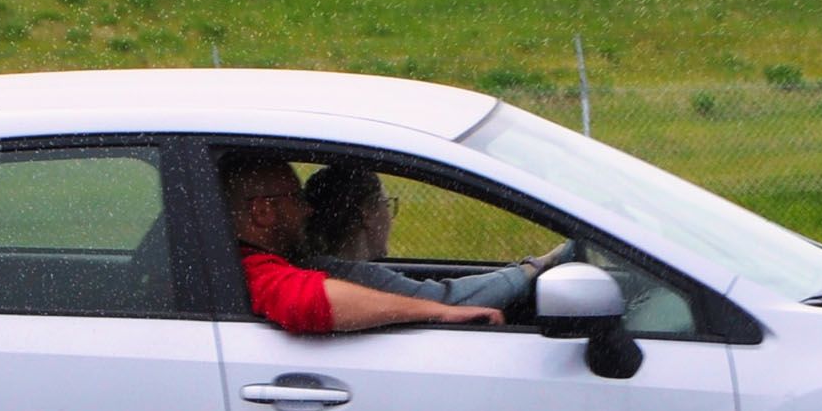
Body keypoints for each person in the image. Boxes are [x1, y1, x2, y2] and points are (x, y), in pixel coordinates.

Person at [223, 153, 503, 335]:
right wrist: (439, 312)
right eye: (296, 198)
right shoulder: (249, 269)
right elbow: (311, 301)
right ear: (262, 211)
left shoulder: (232, 261)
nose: (308, 210)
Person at [300, 163, 572, 312]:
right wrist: (536, 266)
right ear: (368, 213)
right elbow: (443, 301)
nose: (390, 216)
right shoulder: (353, 277)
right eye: (386, 204)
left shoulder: (324, 267)